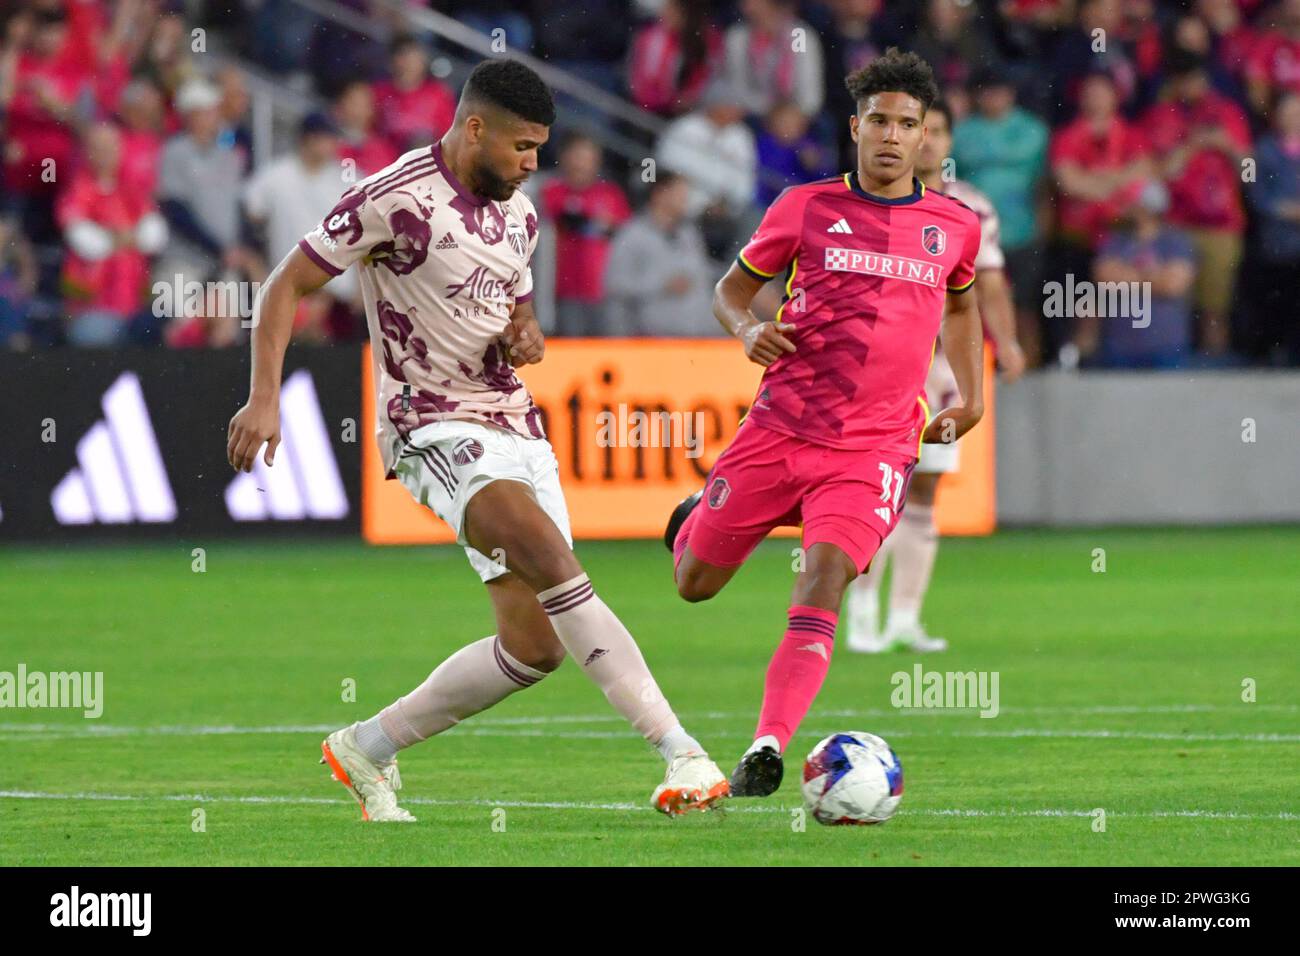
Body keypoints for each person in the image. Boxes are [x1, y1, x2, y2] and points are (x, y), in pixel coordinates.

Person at [226, 59, 728, 822]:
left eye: (540, 151)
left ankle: (367, 745)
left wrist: (524, 332)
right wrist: (265, 396)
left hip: (512, 422)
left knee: (534, 646)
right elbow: (285, 284)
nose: (532, 166)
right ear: (474, 128)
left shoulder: (520, 216)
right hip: (428, 426)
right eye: (522, 148)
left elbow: (517, 313)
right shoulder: (393, 198)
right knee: (556, 563)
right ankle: (681, 751)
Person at [663, 49, 985, 797]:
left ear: (925, 135)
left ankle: (767, 745)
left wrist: (970, 396)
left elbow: (963, 304)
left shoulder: (954, 227)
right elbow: (731, 290)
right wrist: (746, 330)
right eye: (879, 121)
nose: (893, 137)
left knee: (824, 577)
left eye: (909, 124)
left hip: (874, 445)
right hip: (779, 428)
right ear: (855, 126)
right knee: (694, 584)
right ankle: (691, 522)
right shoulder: (803, 207)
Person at [844, 97, 1023, 654]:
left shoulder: (971, 210)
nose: (934, 141)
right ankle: (860, 613)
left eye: (942, 130)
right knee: (875, 490)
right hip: (879, 369)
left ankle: (904, 618)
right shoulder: (868, 201)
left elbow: (987, 286)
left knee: (923, 490)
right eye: (928, 130)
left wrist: (1009, 341)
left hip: (941, 374)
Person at [602, 173, 718, 337]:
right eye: (680, 194)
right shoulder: (632, 234)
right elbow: (615, 284)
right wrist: (661, 286)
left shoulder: (690, 235)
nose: (685, 200)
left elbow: (701, 281)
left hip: (694, 339)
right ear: (660, 194)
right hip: (648, 341)